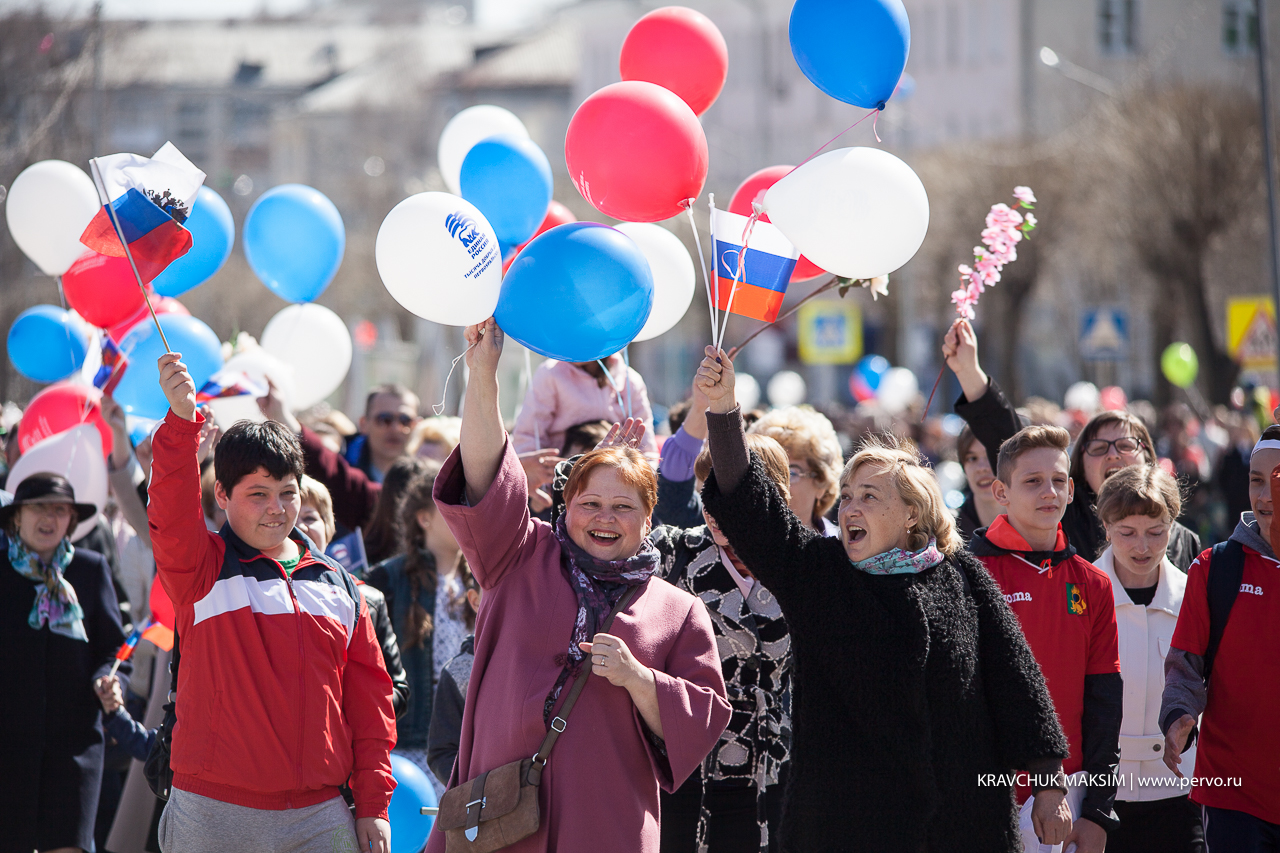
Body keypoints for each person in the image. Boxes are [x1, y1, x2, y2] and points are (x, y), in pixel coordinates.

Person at [694, 346, 1074, 853]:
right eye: (847, 496)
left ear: (912, 513)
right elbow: (752, 509)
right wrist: (723, 408)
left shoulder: (961, 575)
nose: (850, 507)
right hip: (847, 827)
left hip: (963, 823)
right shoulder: (821, 573)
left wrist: (1049, 783)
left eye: (869, 497)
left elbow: (1017, 680)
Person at [423, 319, 730, 853]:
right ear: (566, 506)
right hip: (501, 826)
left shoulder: (677, 611)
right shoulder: (519, 555)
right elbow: (486, 473)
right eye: (590, 503)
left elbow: (701, 720)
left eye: (623, 506)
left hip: (606, 828)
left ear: (649, 517)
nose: (604, 518)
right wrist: (483, 374)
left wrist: (639, 678)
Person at [148, 352, 397, 853]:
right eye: (258, 494)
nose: (276, 509)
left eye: (287, 493)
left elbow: (371, 704)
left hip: (319, 815)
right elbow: (170, 508)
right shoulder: (199, 568)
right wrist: (180, 422)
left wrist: (373, 805)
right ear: (221, 494)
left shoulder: (339, 584)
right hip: (212, 812)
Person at [967, 425, 1123, 852]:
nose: (1048, 492)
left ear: (1071, 490)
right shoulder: (965, 574)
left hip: (1070, 798)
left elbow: (1104, 705)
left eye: (1057, 480)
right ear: (1001, 492)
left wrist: (1098, 810)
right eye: (1032, 481)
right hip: (985, 796)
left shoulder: (1094, 583)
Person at [945, 318, 1202, 568]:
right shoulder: (1062, 517)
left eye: (1125, 445)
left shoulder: (1185, 542)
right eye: (1099, 448)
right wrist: (968, 371)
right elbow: (1010, 439)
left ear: (1148, 457)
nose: (1113, 454)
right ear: (1080, 467)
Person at [650, 434, 794, 853]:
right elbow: (594, 566)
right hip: (682, 762)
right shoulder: (672, 551)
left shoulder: (804, 560)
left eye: (723, 493)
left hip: (773, 766)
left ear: (770, 493)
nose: (711, 508)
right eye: (704, 492)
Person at [1161, 427, 1280, 851]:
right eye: (1255, 480)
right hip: (1233, 794)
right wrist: (1178, 715)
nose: (1265, 496)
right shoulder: (1215, 568)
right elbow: (1185, 666)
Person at [1, 474, 129, 853]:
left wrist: (108, 679)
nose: (50, 518)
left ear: (72, 520)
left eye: (60, 510)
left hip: (74, 748)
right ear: (16, 517)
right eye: (39, 507)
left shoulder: (91, 569)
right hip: (9, 748)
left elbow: (113, 648)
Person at [1090, 465, 1204, 853]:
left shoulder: (1196, 598)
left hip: (1180, 793)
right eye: (1127, 533)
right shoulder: (1080, 596)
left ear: (1173, 527)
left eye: (1156, 532)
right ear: (1106, 527)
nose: (1142, 547)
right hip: (1097, 796)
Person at [366, 466, 469, 784]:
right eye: (452, 507)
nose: (464, 515)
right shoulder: (387, 578)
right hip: (409, 744)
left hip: (464, 742)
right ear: (424, 518)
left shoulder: (484, 579)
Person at [298, 475, 410, 719]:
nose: (302, 528)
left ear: (329, 528)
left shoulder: (367, 600)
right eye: (292, 519)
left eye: (309, 518)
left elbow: (397, 691)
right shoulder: (254, 594)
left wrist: (348, 701)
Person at [512, 353, 660, 459]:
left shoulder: (630, 380)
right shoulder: (550, 374)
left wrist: (644, 481)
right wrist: (535, 480)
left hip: (614, 474)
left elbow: (645, 445)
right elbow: (528, 435)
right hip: (562, 477)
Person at [747, 406, 843, 535]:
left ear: (821, 482)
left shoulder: (842, 545)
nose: (775, 485)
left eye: (791, 473)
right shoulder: (730, 543)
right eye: (765, 472)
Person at [425, 569, 482, 787]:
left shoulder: (554, 660)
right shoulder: (460, 672)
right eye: (497, 592)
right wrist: (476, 792)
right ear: (475, 601)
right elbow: (442, 752)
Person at [345, 383, 423, 484]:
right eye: (385, 419)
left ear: (417, 425)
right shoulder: (340, 472)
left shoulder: (428, 478)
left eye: (405, 420)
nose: (395, 429)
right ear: (363, 424)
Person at [955, 423, 1001, 542]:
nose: (982, 468)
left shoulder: (1038, 527)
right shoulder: (946, 533)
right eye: (972, 458)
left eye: (992, 456)